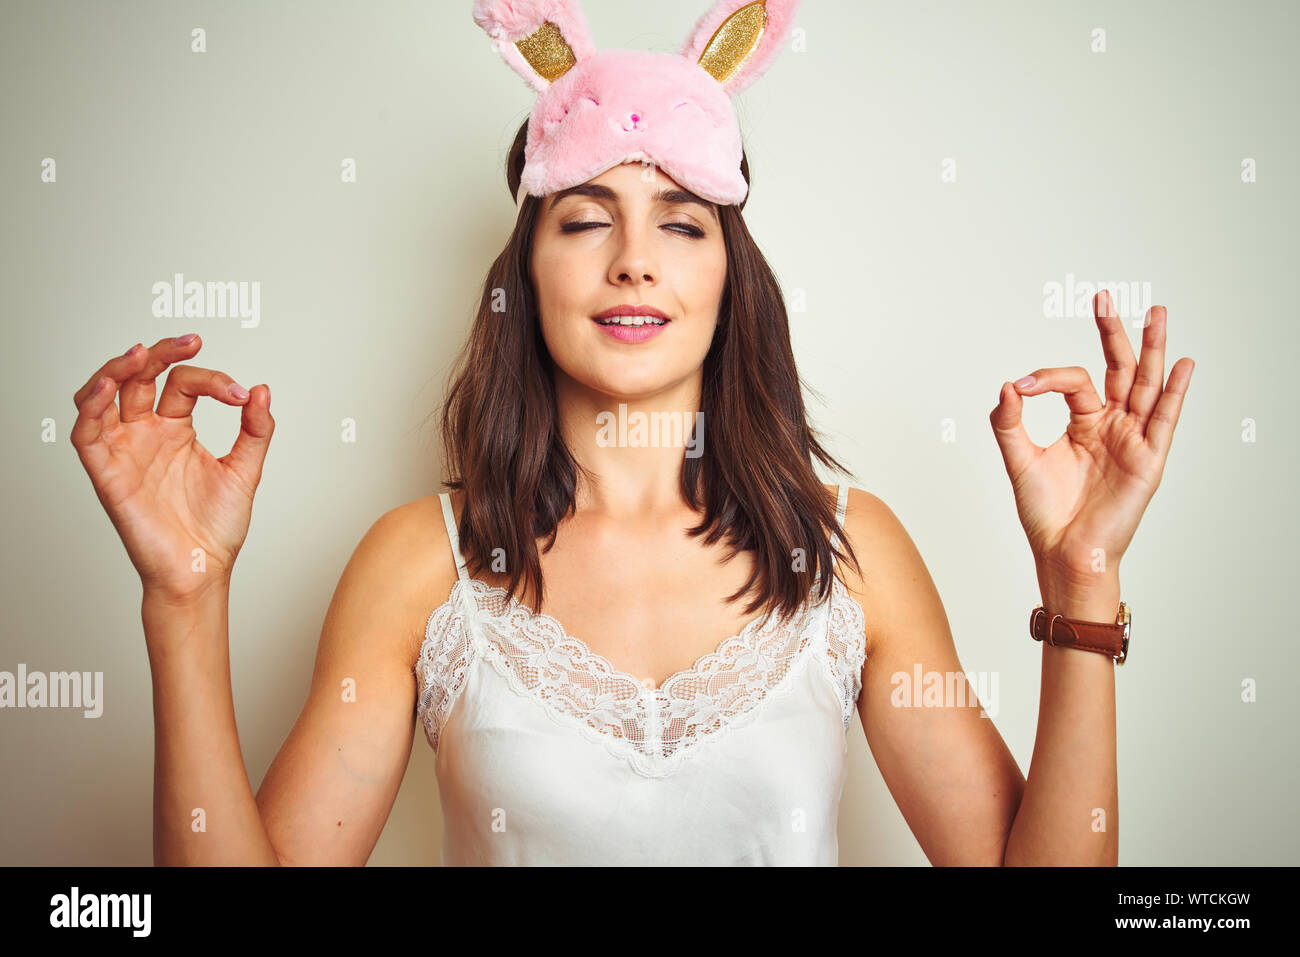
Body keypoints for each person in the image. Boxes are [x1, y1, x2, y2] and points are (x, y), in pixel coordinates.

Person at [69, 0, 1193, 866]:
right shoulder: (418, 563)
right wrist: (183, 597)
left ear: (727, 277)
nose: (634, 259)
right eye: (585, 218)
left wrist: (1082, 574)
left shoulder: (851, 554)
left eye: (681, 222)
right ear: (527, 270)